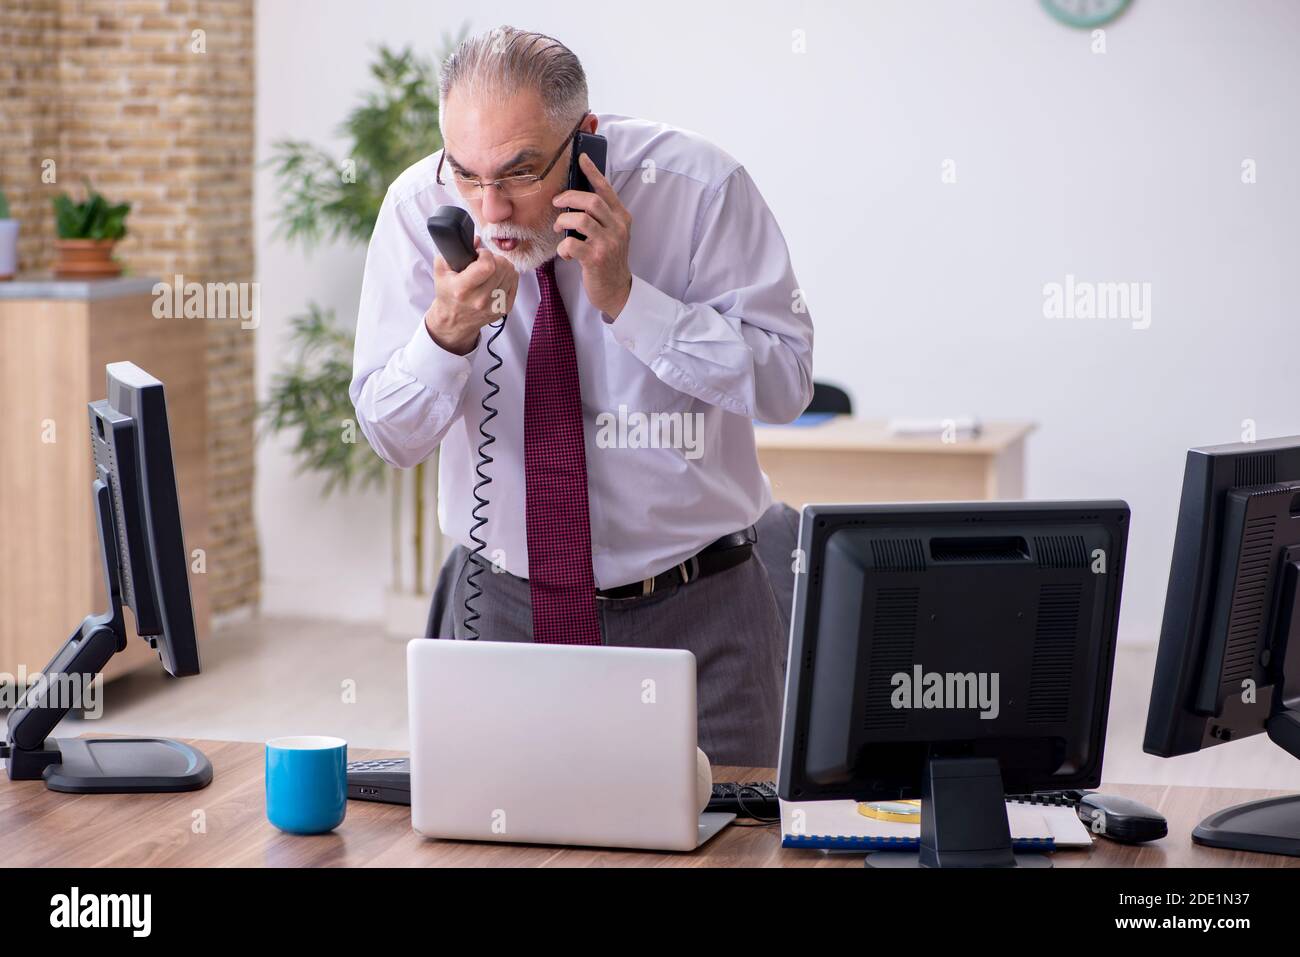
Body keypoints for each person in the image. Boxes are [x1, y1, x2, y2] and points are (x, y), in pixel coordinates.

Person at [350, 26, 813, 766]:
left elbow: (786, 383)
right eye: (466, 173)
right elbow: (390, 434)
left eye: (520, 172)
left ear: (586, 139)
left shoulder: (701, 190)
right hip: (502, 609)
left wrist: (633, 300)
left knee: (737, 844)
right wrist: (445, 336)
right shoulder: (417, 209)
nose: (491, 210)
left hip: (704, 612)